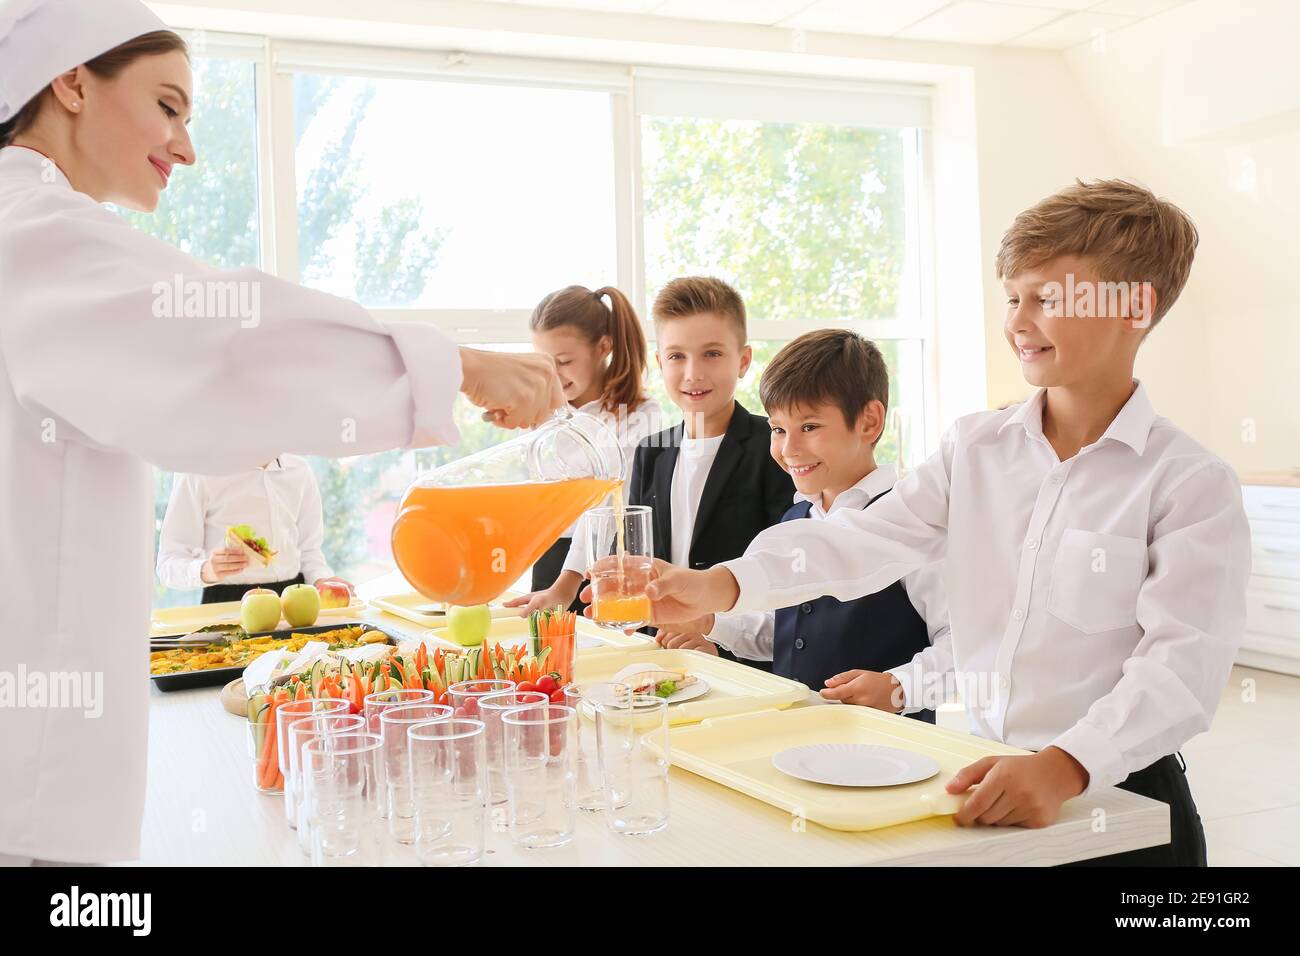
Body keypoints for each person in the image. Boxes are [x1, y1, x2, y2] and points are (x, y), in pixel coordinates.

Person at [0, 0, 564, 866]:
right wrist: (455, 366)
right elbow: (230, 347)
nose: (186, 147)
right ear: (72, 81)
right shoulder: (32, 236)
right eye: (167, 105)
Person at [623, 180, 1250, 865]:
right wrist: (721, 585)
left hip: (1121, 801)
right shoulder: (974, 447)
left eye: (1046, 299)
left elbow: (1180, 671)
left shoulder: (1188, 483)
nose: (1017, 321)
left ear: (1133, 306)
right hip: (982, 781)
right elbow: (862, 539)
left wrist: (1065, 766)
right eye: (1013, 297)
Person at [656, 329, 947, 721]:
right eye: (778, 429)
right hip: (796, 739)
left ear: (869, 421)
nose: (788, 449)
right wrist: (711, 622)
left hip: (892, 754)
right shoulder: (797, 519)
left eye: (809, 427)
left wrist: (900, 687)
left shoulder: (911, 524)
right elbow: (785, 634)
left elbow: (963, 646)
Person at [513, 276, 794, 670]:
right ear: (661, 362)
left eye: (712, 354)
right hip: (660, 659)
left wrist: (717, 635)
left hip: (738, 663)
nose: (693, 373)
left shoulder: (777, 447)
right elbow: (636, 555)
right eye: (677, 356)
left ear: (743, 361)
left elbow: (789, 578)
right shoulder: (650, 451)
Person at [518, 285, 661, 609]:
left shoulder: (637, 413)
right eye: (544, 363)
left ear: (604, 347)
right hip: (550, 555)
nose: (555, 374)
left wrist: (567, 584)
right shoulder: (543, 411)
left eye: (565, 361)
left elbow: (606, 503)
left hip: (605, 556)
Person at [156, 455, 354, 603]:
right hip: (227, 602)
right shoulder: (198, 471)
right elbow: (167, 565)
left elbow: (309, 551)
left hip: (296, 599)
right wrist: (206, 571)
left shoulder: (299, 469)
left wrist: (321, 579)